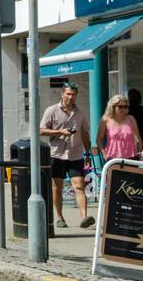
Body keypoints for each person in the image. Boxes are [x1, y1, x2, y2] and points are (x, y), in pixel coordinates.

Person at [39, 83, 94, 229]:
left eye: (73, 94)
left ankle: (84, 217)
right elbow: (41, 130)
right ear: (63, 94)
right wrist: (60, 132)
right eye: (68, 94)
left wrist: (88, 153)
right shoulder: (51, 110)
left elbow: (84, 133)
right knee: (57, 187)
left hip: (75, 154)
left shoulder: (80, 113)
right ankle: (60, 217)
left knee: (79, 185)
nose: (71, 97)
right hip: (57, 154)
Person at [96, 94, 143, 162]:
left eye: (125, 106)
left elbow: (138, 138)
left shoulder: (131, 119)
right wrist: (104, 155)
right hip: (113, 158)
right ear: (113, 106)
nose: (123, 109)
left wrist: (139, 154)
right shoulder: (105, 120)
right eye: (120, 106)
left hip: (132, 157)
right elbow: (98, 140)